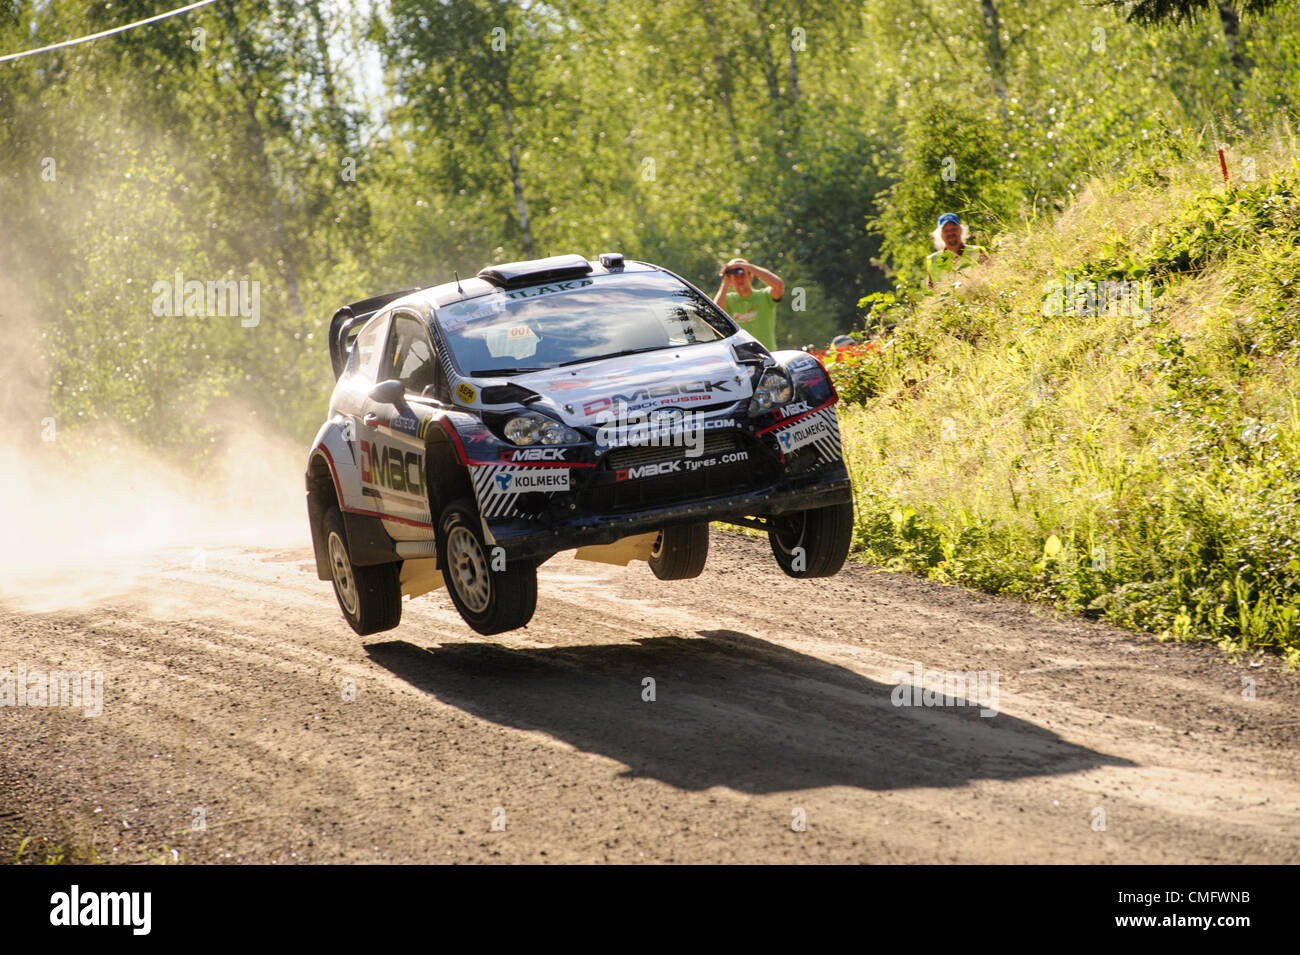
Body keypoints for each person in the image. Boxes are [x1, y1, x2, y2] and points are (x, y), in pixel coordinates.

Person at [714, 258, 784, 350]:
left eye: (742, 275)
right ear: (730, 280)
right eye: (735, 276)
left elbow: (778, 285)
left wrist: (747, 267)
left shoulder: (764, 296)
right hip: (742, 359)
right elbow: (715, 313)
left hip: (768, 355)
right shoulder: (728, 300)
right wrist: (725, 280)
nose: (739, 279)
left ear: (750, 276)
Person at [925, 213, 990, 290]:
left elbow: (992, 276)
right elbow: (930, 291)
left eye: (953, 229)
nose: (950, 233)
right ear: (940, 235)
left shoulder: (977, 252)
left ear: (961, 230)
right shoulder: (933, 259)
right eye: (946, 231)